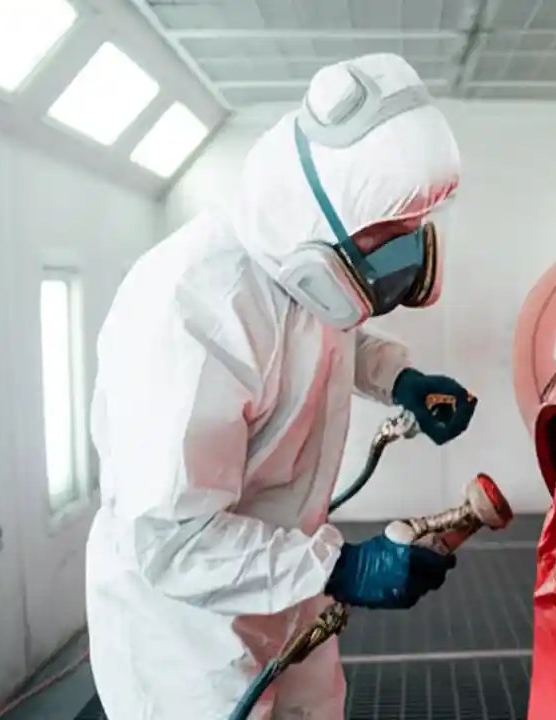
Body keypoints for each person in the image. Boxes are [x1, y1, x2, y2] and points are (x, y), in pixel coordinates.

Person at [84, 53, 474, 719]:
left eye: (416, 231)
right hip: (188, 625)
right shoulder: (190, 307)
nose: (405, 256)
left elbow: (324, 337)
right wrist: (344, 569)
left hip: (285, 574)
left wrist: (400, 379)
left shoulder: (297, 270)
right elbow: (172, 541)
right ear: (320, 222)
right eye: (391, 234)